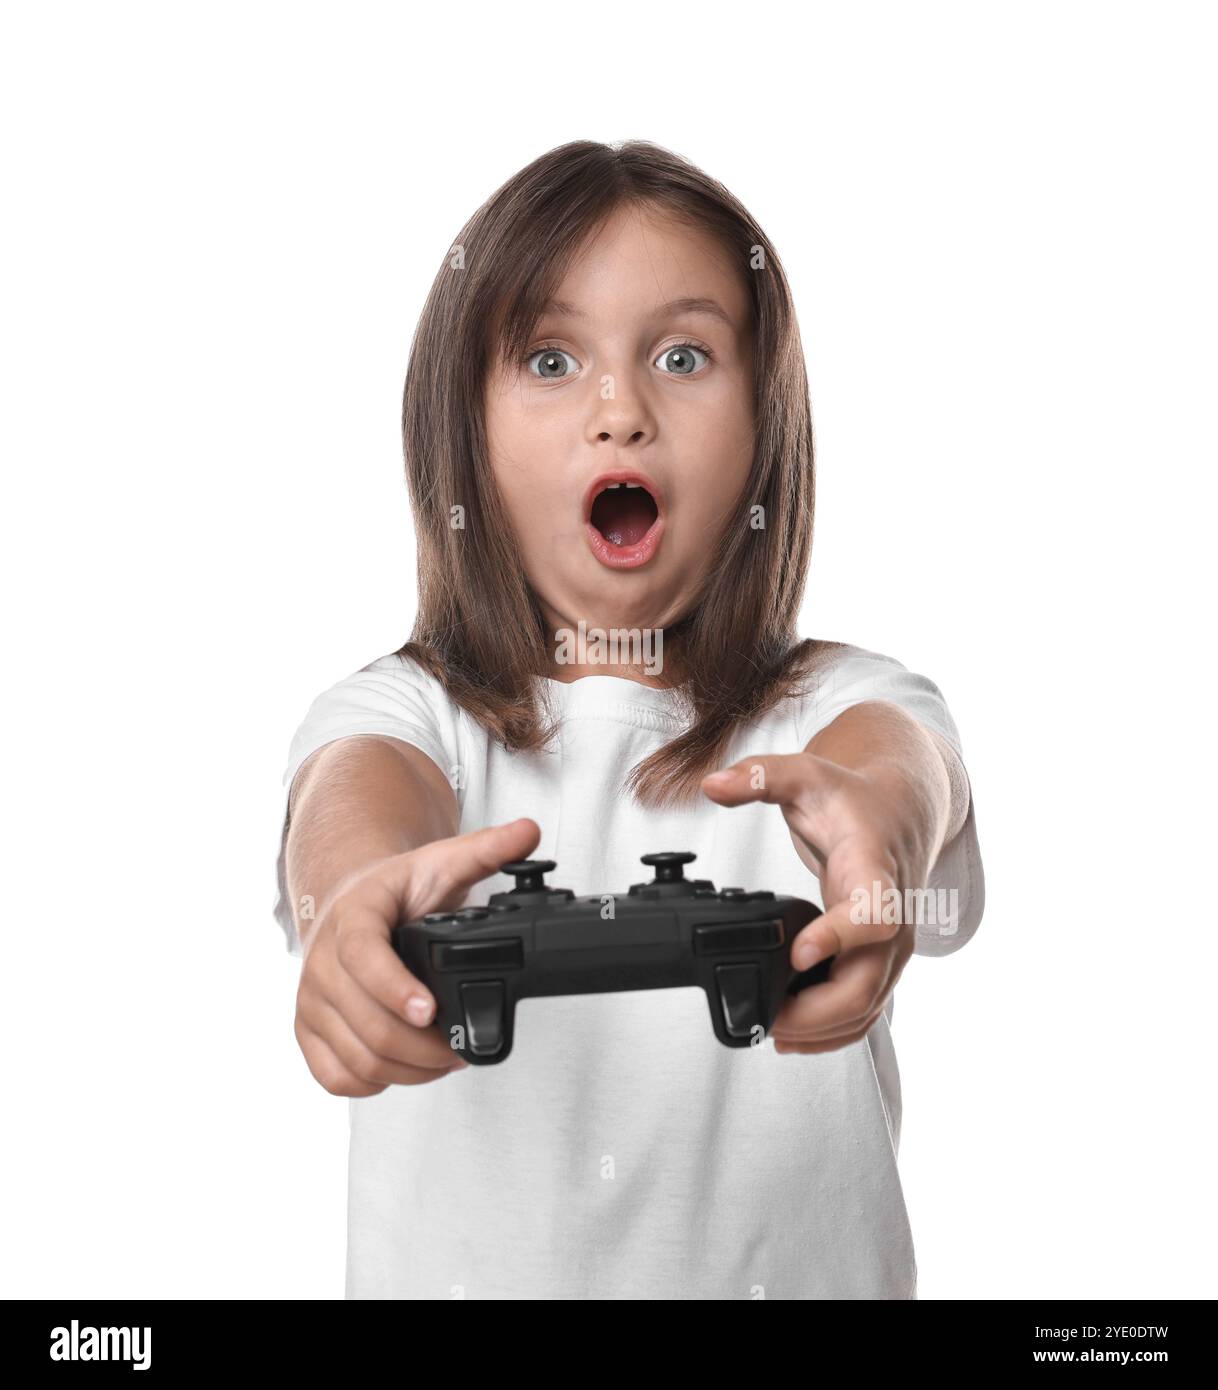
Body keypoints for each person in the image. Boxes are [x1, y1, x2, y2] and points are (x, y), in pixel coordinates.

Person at [273, 139, 985, 1300]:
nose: (621, 412)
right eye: (552, 360)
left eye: (684, 356)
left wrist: (882, 831)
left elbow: (901, 768)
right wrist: (355, 905)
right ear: (463, 432)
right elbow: (356, 797)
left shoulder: (841, 704)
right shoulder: (406, 710)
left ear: (766, 430)